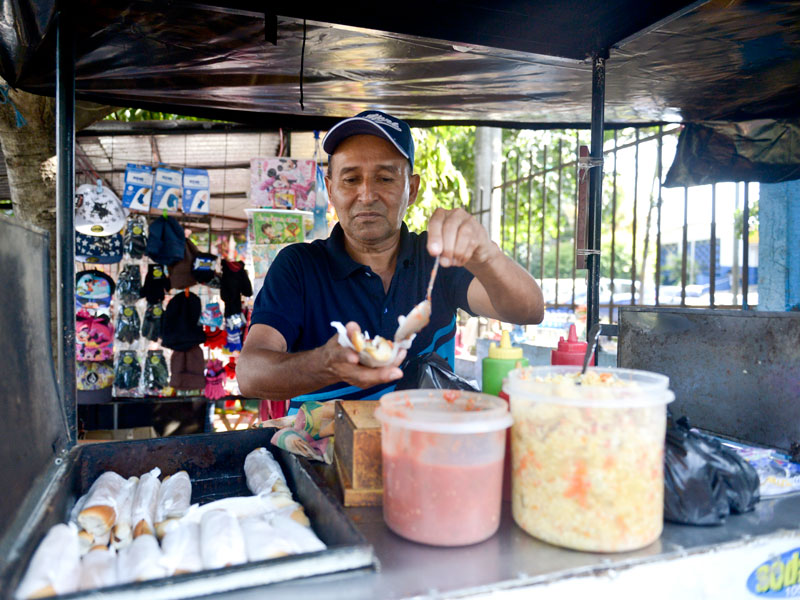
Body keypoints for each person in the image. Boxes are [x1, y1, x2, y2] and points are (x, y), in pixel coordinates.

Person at [238, 110, 543, 410]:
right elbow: (250, 375)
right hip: (321, 453)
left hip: (428, 445)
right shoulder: (299, 266)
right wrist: (325, 364)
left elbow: (529, 310)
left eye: (384, 178)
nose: (367, 194)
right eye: (351, 179)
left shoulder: (438, 259)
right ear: (331, 189)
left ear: (411, 189)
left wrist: (486, 255)